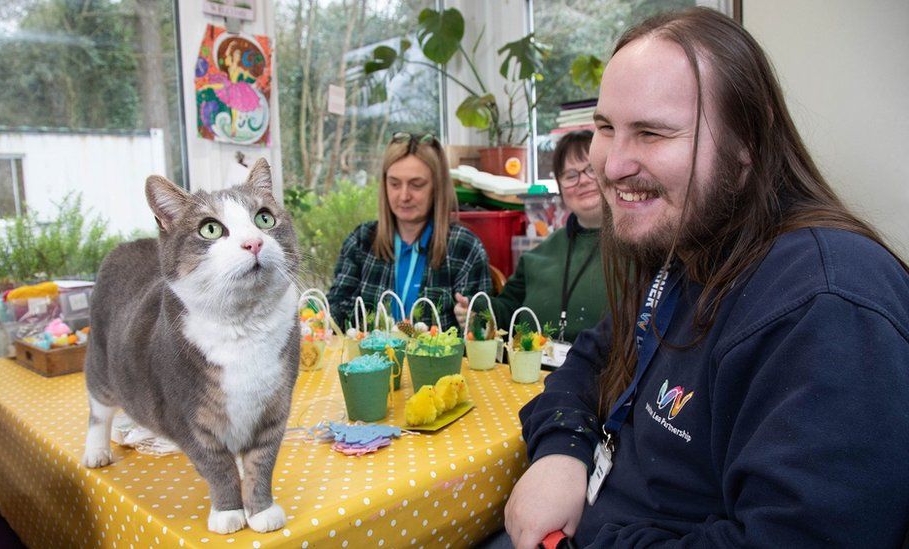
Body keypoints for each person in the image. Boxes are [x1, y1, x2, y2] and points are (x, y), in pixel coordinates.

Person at [506, 7, 909, 549]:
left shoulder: (824, 304)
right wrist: (561, 449)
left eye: (651, 133)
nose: (613, 164)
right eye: (605, 127)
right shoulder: (689, 245)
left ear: (747, 143)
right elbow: (591, 359)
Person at [453, 130, 607, 344]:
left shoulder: (639, 249)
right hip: (532, 371)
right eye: (571, 175)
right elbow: (508, 311)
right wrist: (477, 309)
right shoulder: (538, 256)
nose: (582, 181)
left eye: (591, 169)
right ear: (560, 189)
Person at [327, 132, 492, 331]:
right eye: (395, 184)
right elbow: (338, 309)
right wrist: (318, 315)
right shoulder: (361, 241)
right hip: (370, 361)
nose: (404, 196)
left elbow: (480, 333)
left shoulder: (465, 247)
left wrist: (473, 319)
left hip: (432, 362)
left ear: (437, 188)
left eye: (417, 185)